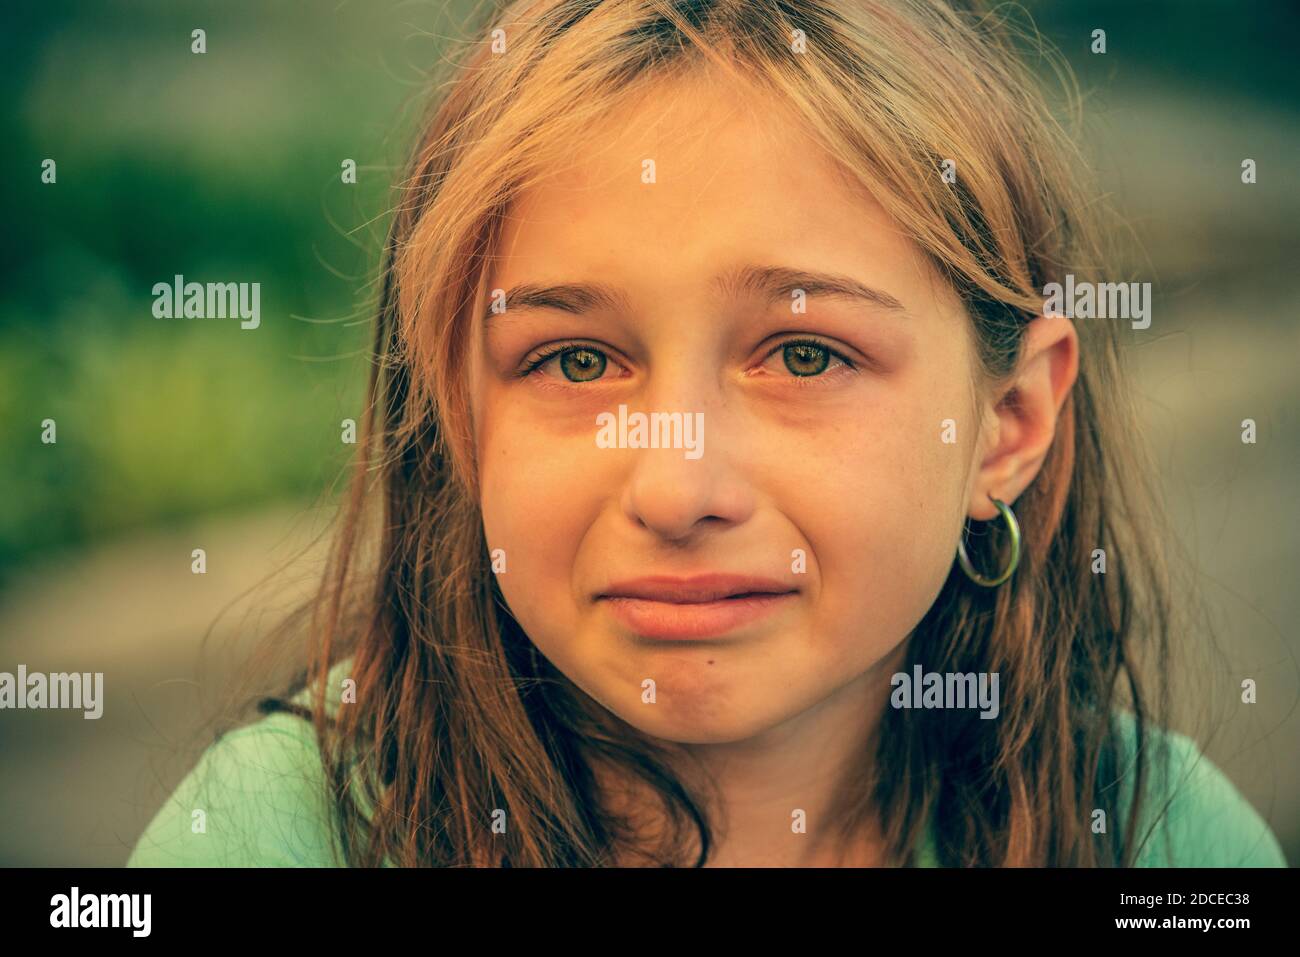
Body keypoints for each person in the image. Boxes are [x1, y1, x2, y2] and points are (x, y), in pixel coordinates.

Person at [128, 0, 1288, 868]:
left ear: (1008, 423)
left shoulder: (1159, 846)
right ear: (458, 418)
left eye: (803, 355)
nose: (678, 490)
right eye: (574, 360)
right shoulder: (271, 840)